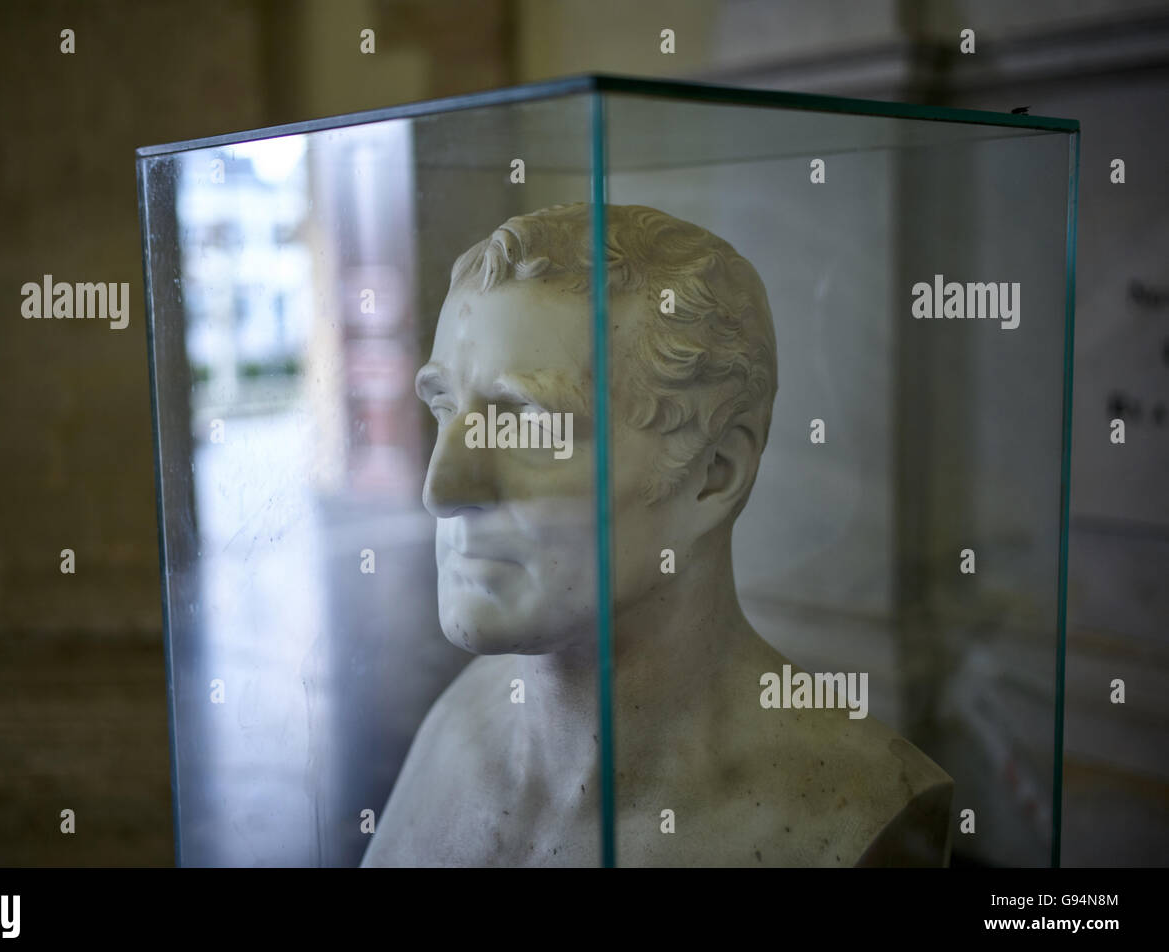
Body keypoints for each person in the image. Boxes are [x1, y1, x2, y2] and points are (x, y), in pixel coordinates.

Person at [362, 203, 952, 866]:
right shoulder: (455, 730)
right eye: (444, 409)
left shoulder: (851, 808)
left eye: (525, 424)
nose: (440, 488)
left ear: (713, 473)